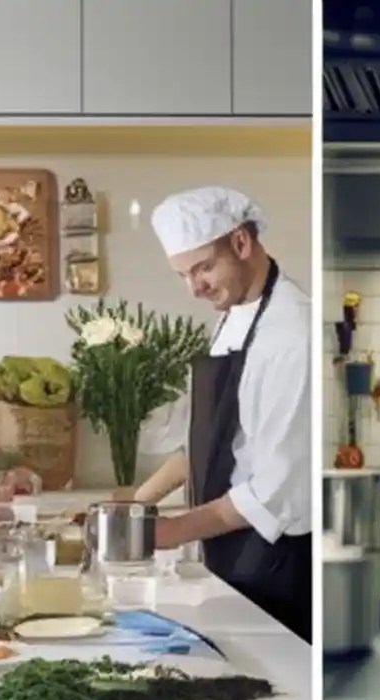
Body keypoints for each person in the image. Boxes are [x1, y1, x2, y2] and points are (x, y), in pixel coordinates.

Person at [120, 187, 311, 642]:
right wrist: (134, 506)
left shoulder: (292, 333)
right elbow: (208, 438)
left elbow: (274, 492)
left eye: (203, 267)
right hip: (228, 546)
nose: (194, 287)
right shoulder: (233, 315)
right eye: (183, 275)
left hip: (274, 561)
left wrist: (164, 534)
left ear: (241, 243)